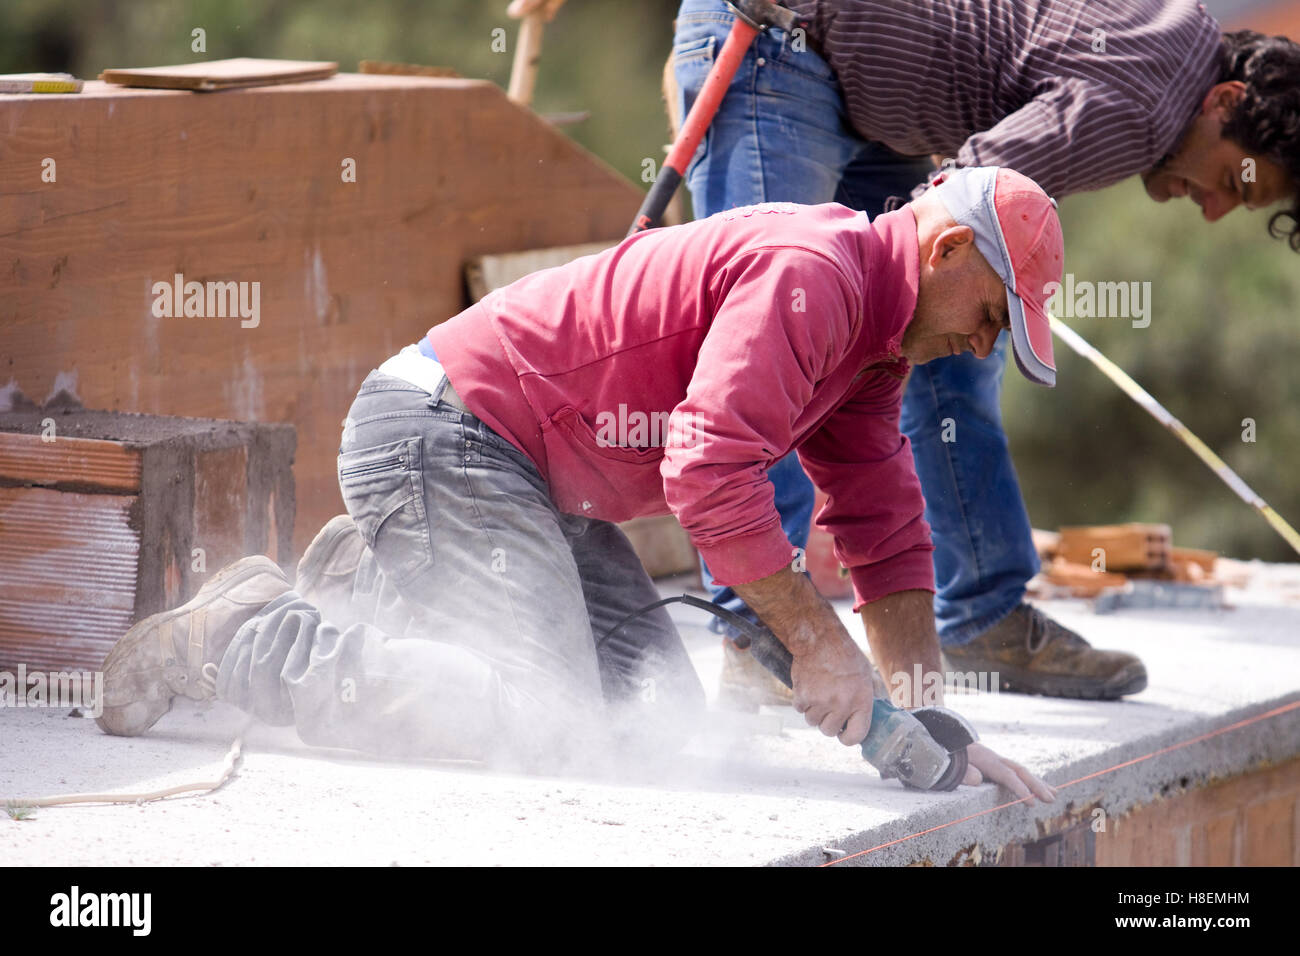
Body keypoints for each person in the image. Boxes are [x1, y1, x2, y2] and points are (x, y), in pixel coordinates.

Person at [97, 165, 1061, 803]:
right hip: (445, 434)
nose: (984, 345)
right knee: (545, 726)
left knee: (654, 727)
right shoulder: (817, 276)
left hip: (522, 479)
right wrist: (817, 645)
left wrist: (929, 709)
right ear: (944, 251)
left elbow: (882, 526)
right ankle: (244, 634)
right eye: (990, 316)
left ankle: (372, 577)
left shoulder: (874, 344)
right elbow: (710, 468)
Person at [660, 0, 1300, 703]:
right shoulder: (1149, 106)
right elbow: (969, 202)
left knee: (957, 328)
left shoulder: (1168, 56)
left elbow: (965, 222)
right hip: (778, 42)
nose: (1213, 208)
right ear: (1227, 100)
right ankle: (767, 643)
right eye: (1239, 181)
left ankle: (981, 618)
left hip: (876, 96)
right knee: (774, 337)